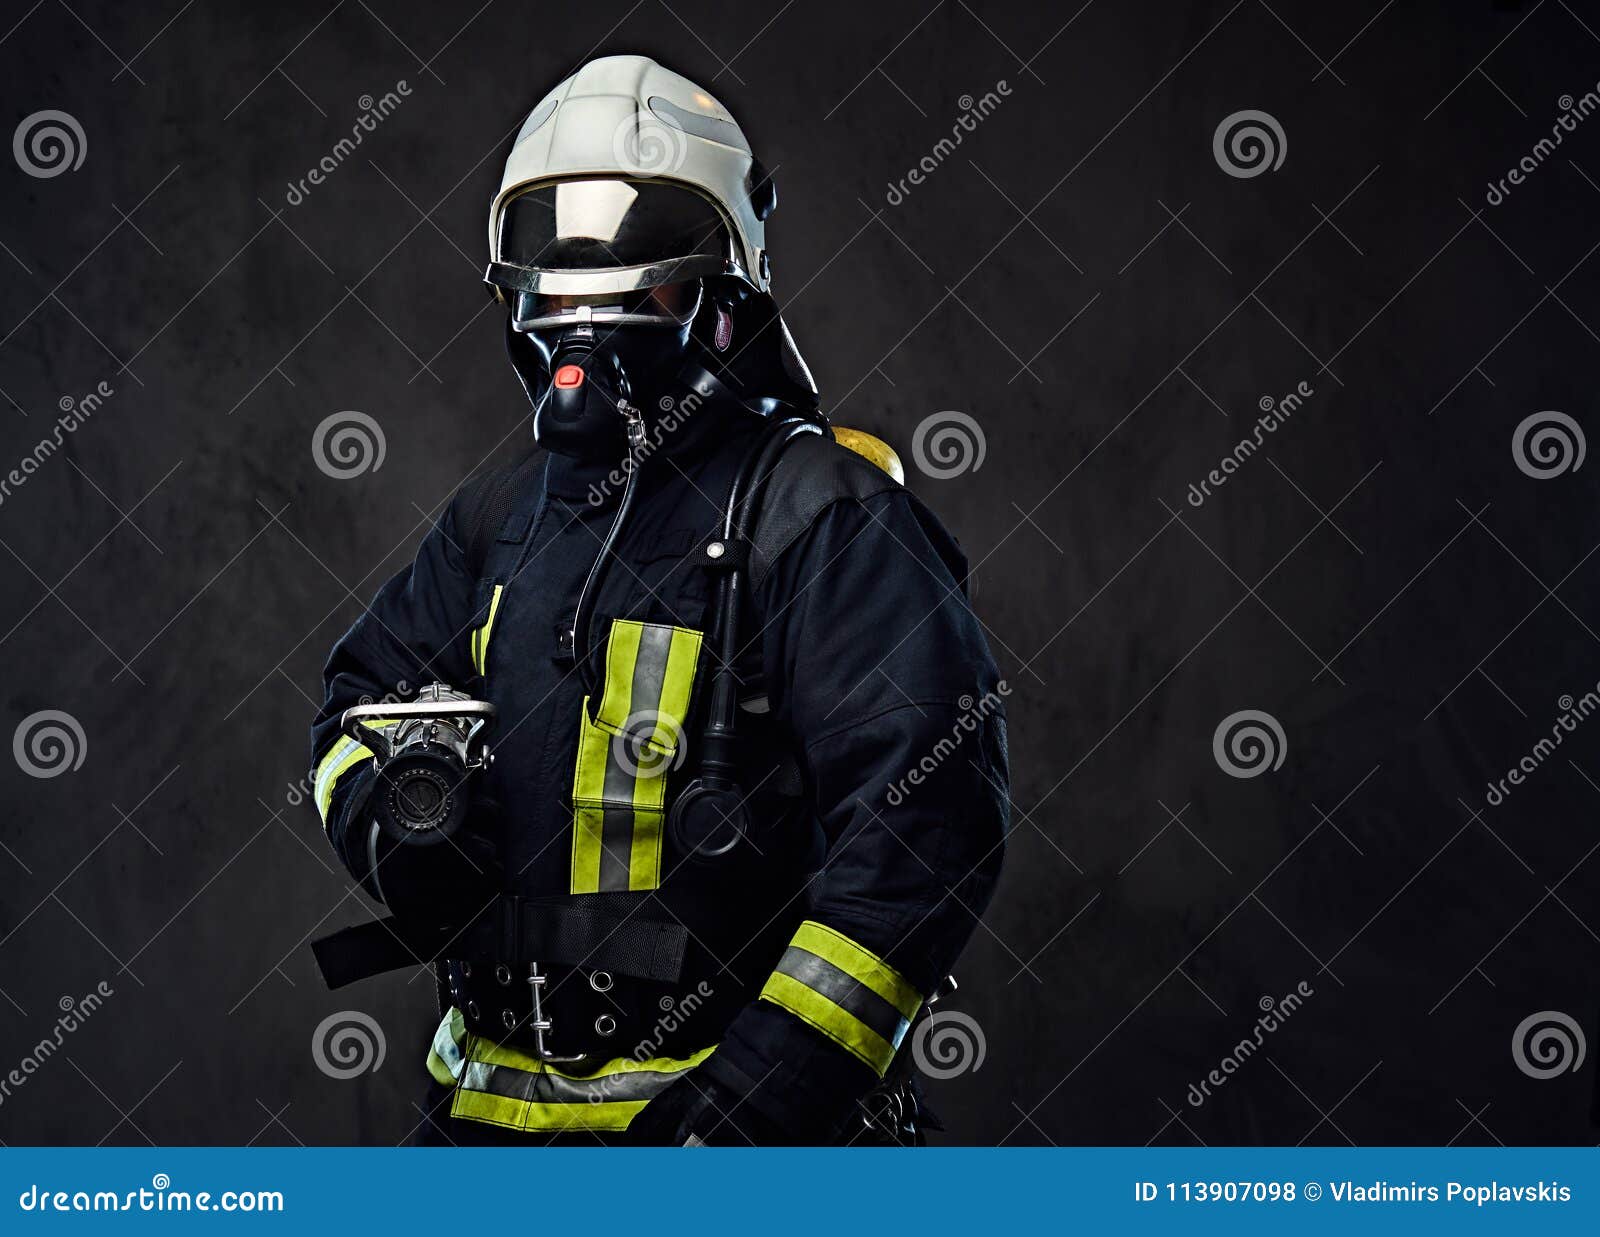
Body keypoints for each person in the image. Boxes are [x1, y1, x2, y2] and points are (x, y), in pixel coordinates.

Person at [307, 53, 1009, 1145]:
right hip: (479, 1129)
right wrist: (395, 818)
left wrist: (754, 1107)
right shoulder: (499, 519)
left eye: (644, 270)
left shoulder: (823, 520)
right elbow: (353, 702)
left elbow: (923, 835)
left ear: (729, 290)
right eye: (558, 263)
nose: (588, 312)